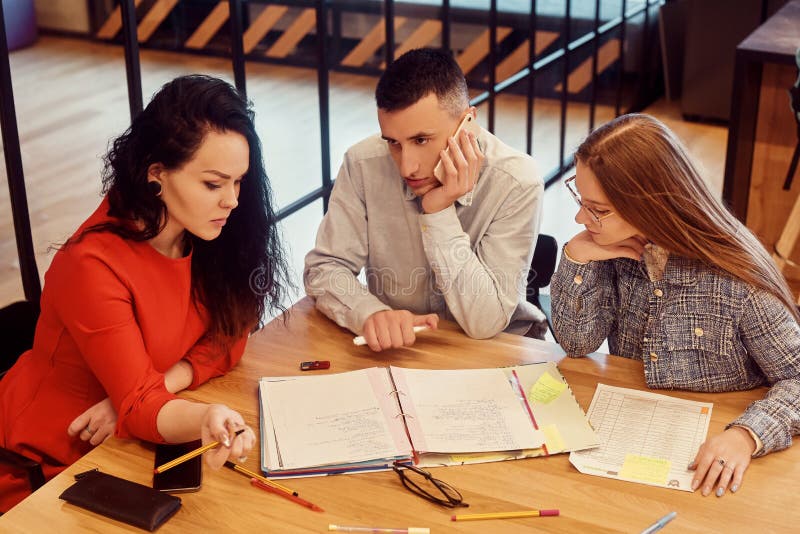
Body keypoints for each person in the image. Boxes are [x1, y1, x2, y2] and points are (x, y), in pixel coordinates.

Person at [0, 74, 289, 512]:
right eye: (214, 184)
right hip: (49, 467)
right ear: (157, 175)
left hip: (130, 437)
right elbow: (139, 406)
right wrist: (197, 415)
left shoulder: (201, 230)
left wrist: (154, 387)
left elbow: (233, 331)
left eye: (239, 182)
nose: (232, 200)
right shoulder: (92, 266)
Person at [550, 113, 800, 499]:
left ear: (649, 205)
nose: (580, 218)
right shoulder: (613, 248)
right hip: (638, 435)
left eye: (597, 209)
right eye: (581, 200)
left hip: (718, 453)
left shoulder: (737, 278)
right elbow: (577, 342)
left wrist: (748, 434)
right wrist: (576, 258)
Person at [304, 48, 545, 351]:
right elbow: (324, 268)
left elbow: (485, 323)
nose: (407, 167)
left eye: (421, 140)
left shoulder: (516, 182)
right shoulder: (362, 163)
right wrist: (370, 313)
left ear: (467, 123)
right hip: (402, 347)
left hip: (495, 348)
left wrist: (439, 211)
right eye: (393, 143)